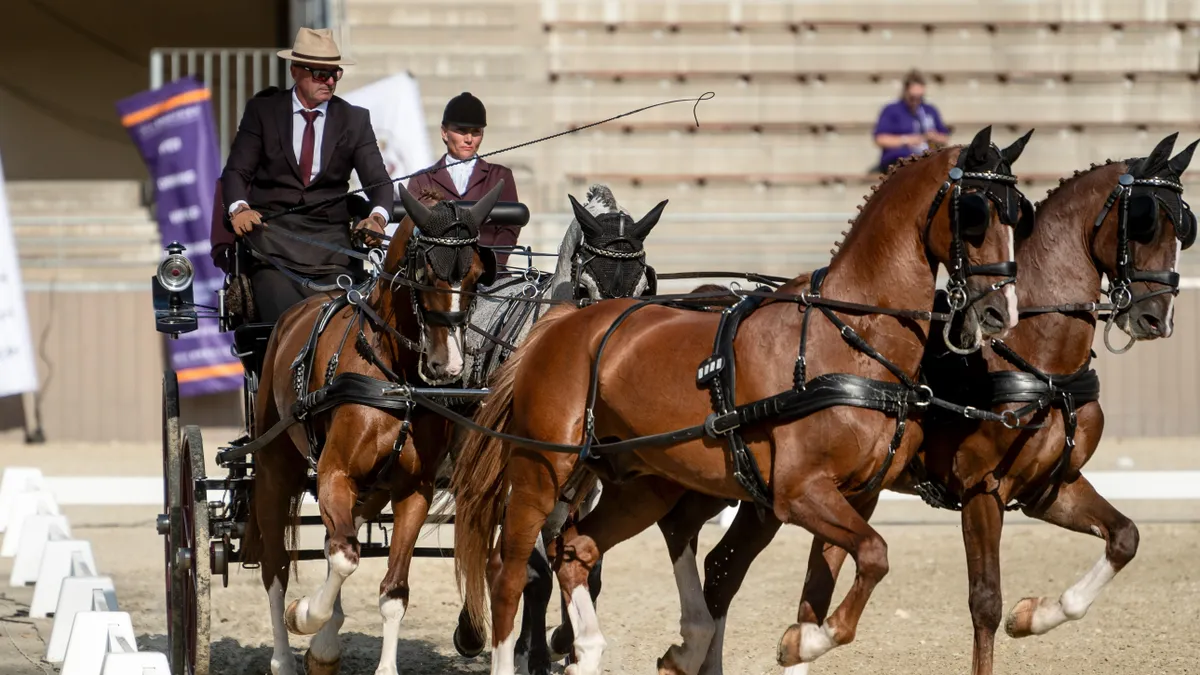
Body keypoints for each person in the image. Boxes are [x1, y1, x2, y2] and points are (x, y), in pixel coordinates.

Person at [219, 27, 394, 323]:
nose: (329, 81)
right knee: (281, 314)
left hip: (332, 251)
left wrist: (377, 218)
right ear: (295, 71)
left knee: (339, 324)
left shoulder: (355, 120)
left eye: (334, 73)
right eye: (319, 73)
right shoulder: (262, 112)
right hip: (273, 245)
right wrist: (239, 207)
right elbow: (235, 171)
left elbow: (379, 183)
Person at [405, 92, 520, 267]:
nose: (469, 139)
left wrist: (490, 264)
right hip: (436, 277)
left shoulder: (500, 176)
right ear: (444, 133)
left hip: (488, 274)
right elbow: (412, 232)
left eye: (476, 132)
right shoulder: (421, 180)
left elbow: (509, 228)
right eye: (461, 131)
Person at [872, 69, 950, 173]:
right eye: (912, 97)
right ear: (905, 92)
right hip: (900, 161)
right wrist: (907, 140)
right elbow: (880, 139)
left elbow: (944, 138)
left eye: (920, 97)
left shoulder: (929, 110)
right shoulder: (891, 110)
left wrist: (933, 136)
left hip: (928, 160)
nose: (916, 101)